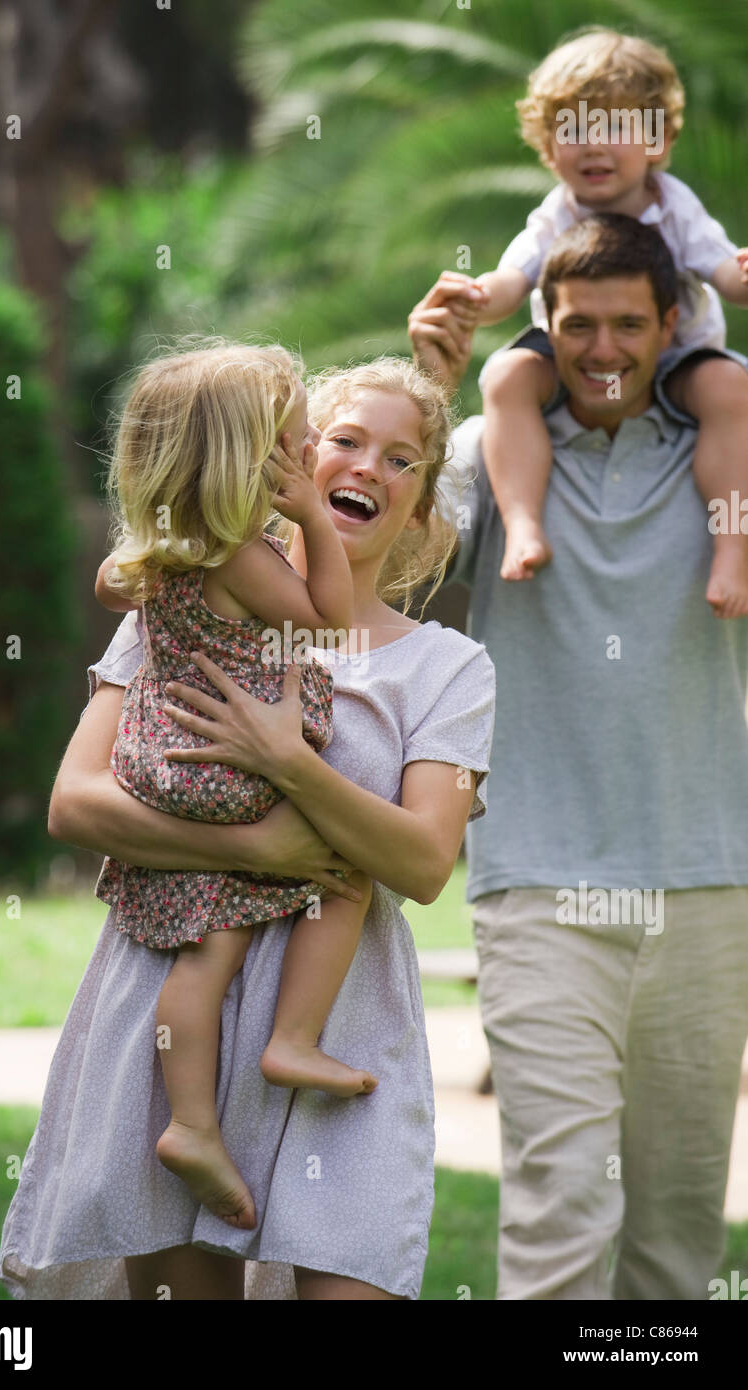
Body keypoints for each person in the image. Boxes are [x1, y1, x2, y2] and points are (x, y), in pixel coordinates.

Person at [0, 356, 496, 1301]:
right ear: (291, 454)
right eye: (344, 440)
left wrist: (290, 763)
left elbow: (425, 864)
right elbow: (77, 803)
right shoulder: (186, 597)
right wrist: (255, 849)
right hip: (175, 1005)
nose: (363, 469)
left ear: (424, 508)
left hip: (342, 1032)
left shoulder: (448, 668)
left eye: (401, 461)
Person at [410, 211, 748, 1300]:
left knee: (679, 1233)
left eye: (627, 325)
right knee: (563, 1210)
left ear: (671, 326)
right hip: (542, 885)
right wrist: (428, 391)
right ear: (545, 330)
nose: (602, 349)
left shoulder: (726, 452)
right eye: (578, 326)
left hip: (711, 882)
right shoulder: (487, 449)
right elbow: (380, 569)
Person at [91, 342, 378, 1231]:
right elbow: (328, 620)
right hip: (235, 769)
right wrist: (313, 522)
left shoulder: (153, 553)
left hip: (164, 761)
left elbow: (112, 590)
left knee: (205, 949)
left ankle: (191, 1124)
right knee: (350, 863)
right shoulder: (238, 555)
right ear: (250, 460)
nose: (308, 456)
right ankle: (291, 1038)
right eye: (296, 444)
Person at [457, 27, 748, 615]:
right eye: (573, 130)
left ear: (658, 141)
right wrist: (479, 298)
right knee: (505, 377)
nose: (594, 147)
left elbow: (720, 269)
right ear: (547, 147)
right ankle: (521, 523)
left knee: (730, 388)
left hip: (675, 358)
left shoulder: (674, 204)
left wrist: (741, 278)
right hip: (568, 354)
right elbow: (513, 279)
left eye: (616, 129)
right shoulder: (554, 215)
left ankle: (732, 549)